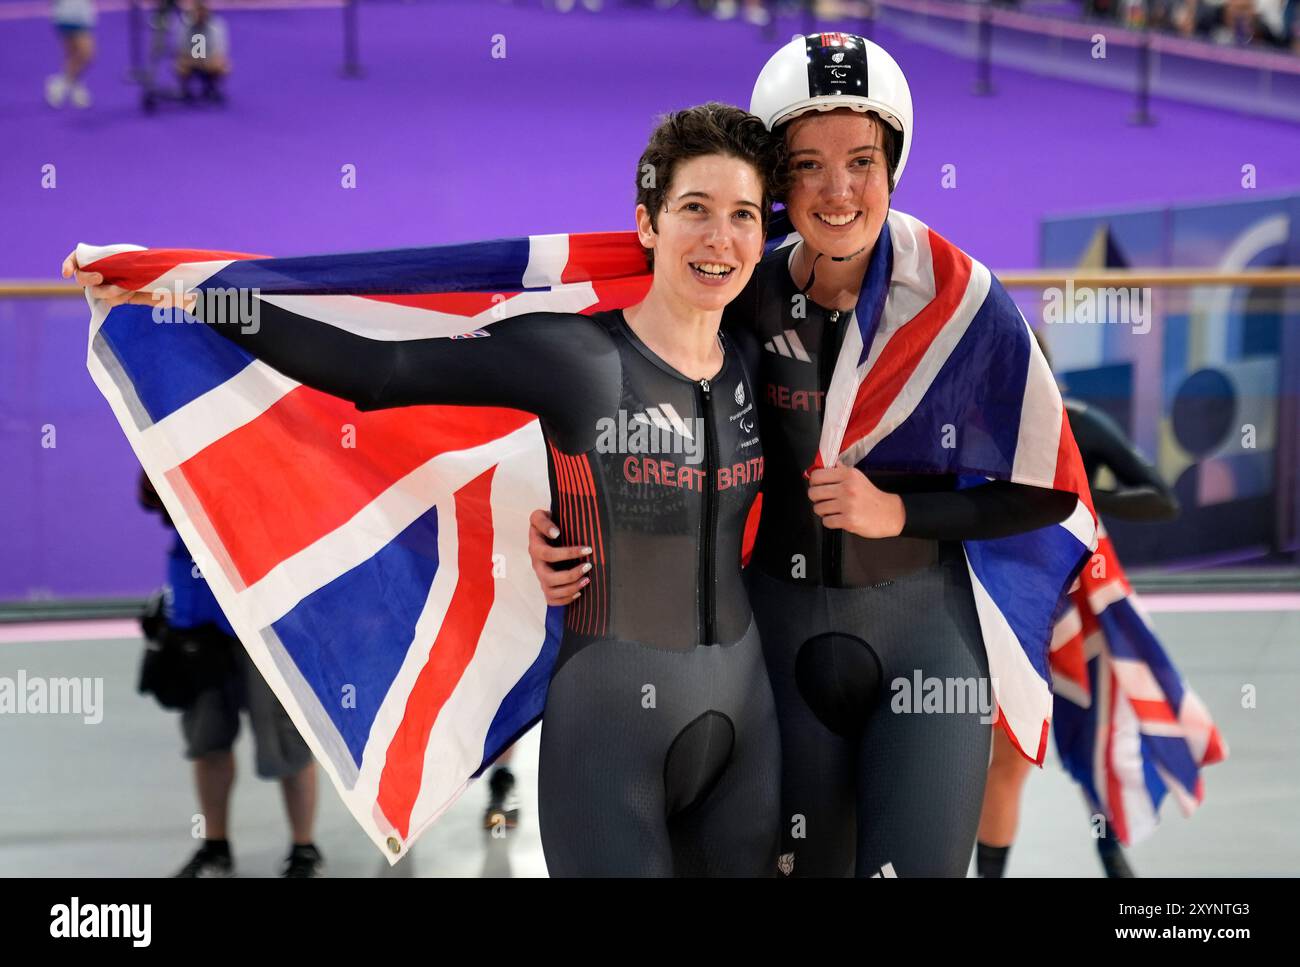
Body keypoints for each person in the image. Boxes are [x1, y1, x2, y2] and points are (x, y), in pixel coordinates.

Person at [66, 102, 787, 877]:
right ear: (647, 223)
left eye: (744, 215)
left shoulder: (757, 351)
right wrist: (194, 293)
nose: (721, 239)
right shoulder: (577, 358)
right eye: (695, 211)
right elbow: (379, 370)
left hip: (749, 724)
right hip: (611, 733)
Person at [530, 34, 1087, 877]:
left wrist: (899, 513)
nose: (838, 191)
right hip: (775, 649)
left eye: (861, 162)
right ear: (776, 185)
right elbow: (617, 395)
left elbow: (1048, 489)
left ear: (895, 168)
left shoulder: (957, 298)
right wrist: (560, 527)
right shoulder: (737, 287)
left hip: (927, 651)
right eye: (808, 166)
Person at [975, 331, 1180, 879]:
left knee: (1098, 730)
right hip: (1010, 618)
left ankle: (1110, 850)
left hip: (1081, 614)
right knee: (1011, 760)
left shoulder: (1079, 424)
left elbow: (1161, 498)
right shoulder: (970, 436)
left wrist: (1084, 499)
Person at [137, 472, 324, 878]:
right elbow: (151, 499)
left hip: (265, 613)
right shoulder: (175, 430)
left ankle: (304, 849)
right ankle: (215, 845)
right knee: (206, 742)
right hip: (198, 616)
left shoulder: (271, 437)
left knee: (286, 740)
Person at [46, 0, 97, 109]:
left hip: (82, 13)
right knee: (83, 54)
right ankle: (62, 84)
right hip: (65, 13)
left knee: (80, 55)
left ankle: (67, 84)